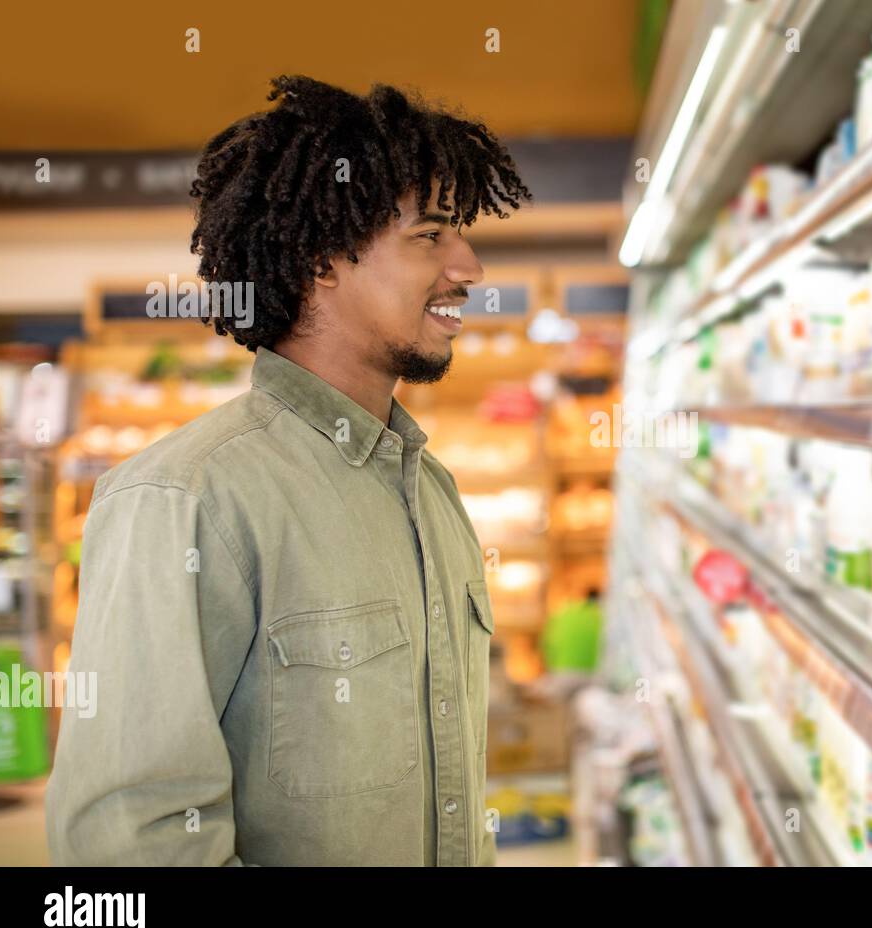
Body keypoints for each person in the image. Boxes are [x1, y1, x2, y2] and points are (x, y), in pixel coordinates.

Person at [45, 75, 531, 866]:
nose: (469, 265)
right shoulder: (187, 499)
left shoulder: (431, 493)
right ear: (323, 260)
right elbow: (131, 846)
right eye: (430, 236)